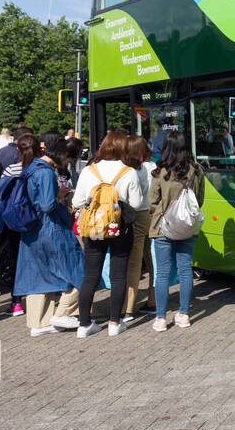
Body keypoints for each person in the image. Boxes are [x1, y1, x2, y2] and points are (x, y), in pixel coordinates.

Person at [71, 130, 145, 337]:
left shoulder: (89, 171)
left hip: (94, 228)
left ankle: (84, 325)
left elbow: (76, 202)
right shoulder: (128, 172)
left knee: (90, 276)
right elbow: (138, 204)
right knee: (118, 275)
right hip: (120, 227)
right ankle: (114, 322)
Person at [11, 133, 84, 337]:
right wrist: (60, 195)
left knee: (38, 276)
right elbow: (46, 205)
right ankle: (62, 313)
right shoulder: (45, 172)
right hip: (50, 228)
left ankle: (38, 322)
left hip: (33, 230)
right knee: (79, 270)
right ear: (61, 154)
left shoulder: (32, 166)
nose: (68, 163)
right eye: (68, 159)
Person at [147, 131, 204, 332]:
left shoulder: (160, 172)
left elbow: (152, 202)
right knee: (185, 269)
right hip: (187, 227)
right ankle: (184, 315)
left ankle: (161, 318)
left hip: (163, 227)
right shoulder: (196, 170)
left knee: (162, 273)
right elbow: (200, 200)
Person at [0, 125, 32, 315]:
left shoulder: (3, 158)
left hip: (12, 217)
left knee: (13, 256)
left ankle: (16, 301)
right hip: (33, 218)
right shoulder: (40, 166)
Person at [121, 134, 152, 322]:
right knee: (152, 258)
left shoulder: (130, 170)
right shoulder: (152, 167)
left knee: (134, 262)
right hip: (152, 214)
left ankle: (128, 307)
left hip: (136, 215)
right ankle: (154, 299)